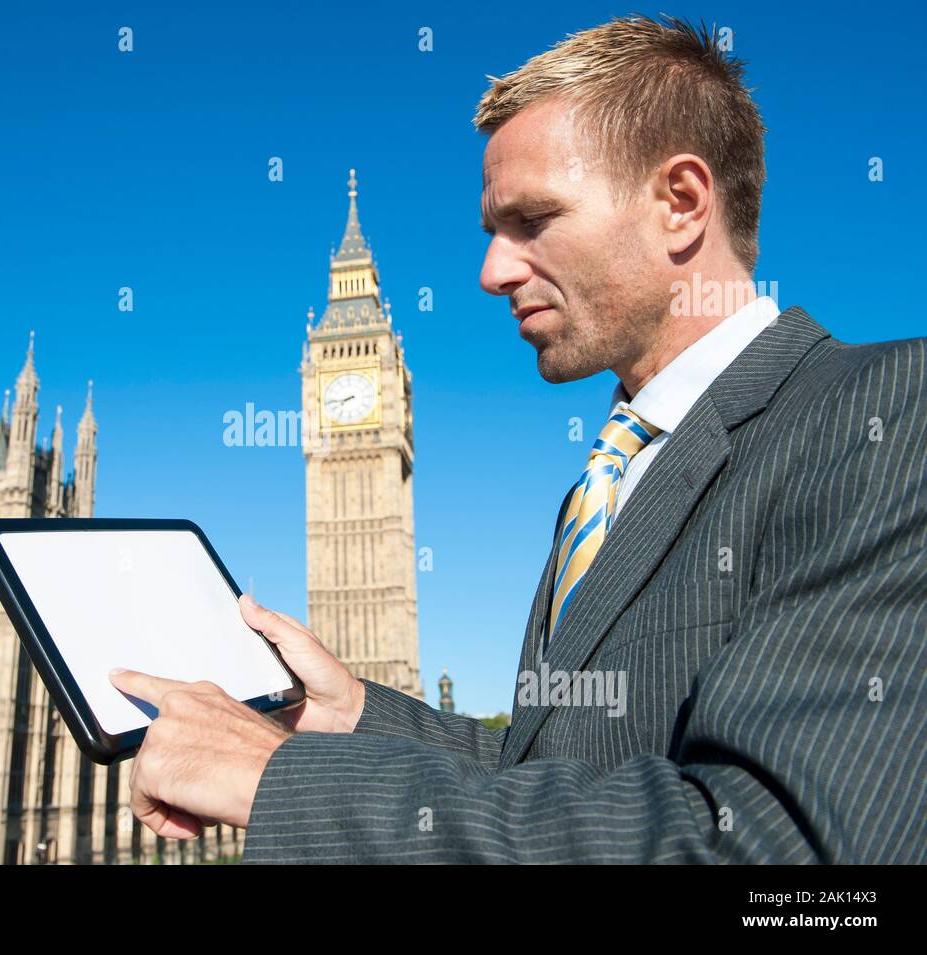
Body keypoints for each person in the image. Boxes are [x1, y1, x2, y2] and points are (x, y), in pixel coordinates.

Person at [108, 13, 926, 863]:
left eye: (532, 219)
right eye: (492, 233)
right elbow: (560, 774)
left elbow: (781, 854)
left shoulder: (890, 416)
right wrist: (354, 714)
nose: (491, 272)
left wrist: (279, 779)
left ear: (680, 203)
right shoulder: (603, 486)